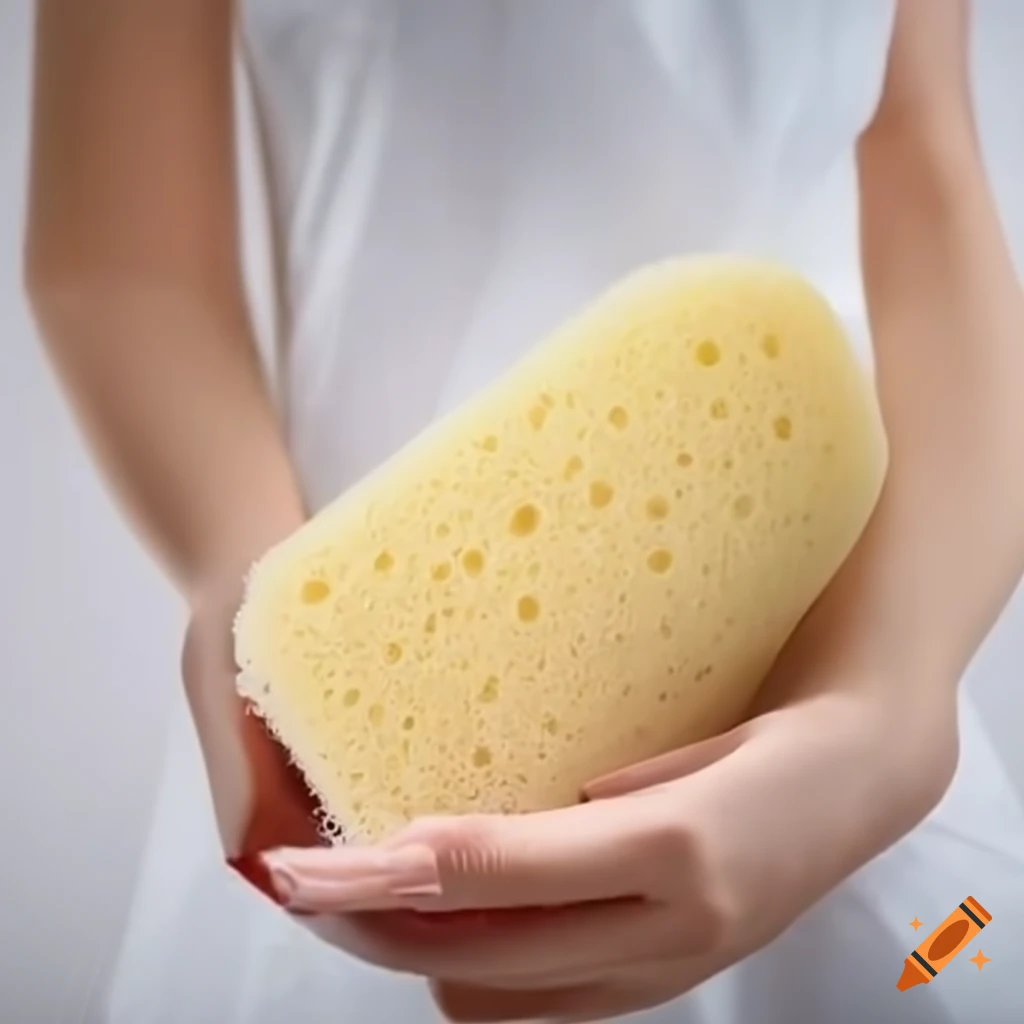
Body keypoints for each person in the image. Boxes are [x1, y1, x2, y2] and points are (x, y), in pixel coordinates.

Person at [23, 0, 1024, 1021]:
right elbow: (123, 258)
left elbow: (925, 161)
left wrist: (892, 700)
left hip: (816, 709)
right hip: (369, 734)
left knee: (951, 967)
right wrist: (250, 606)